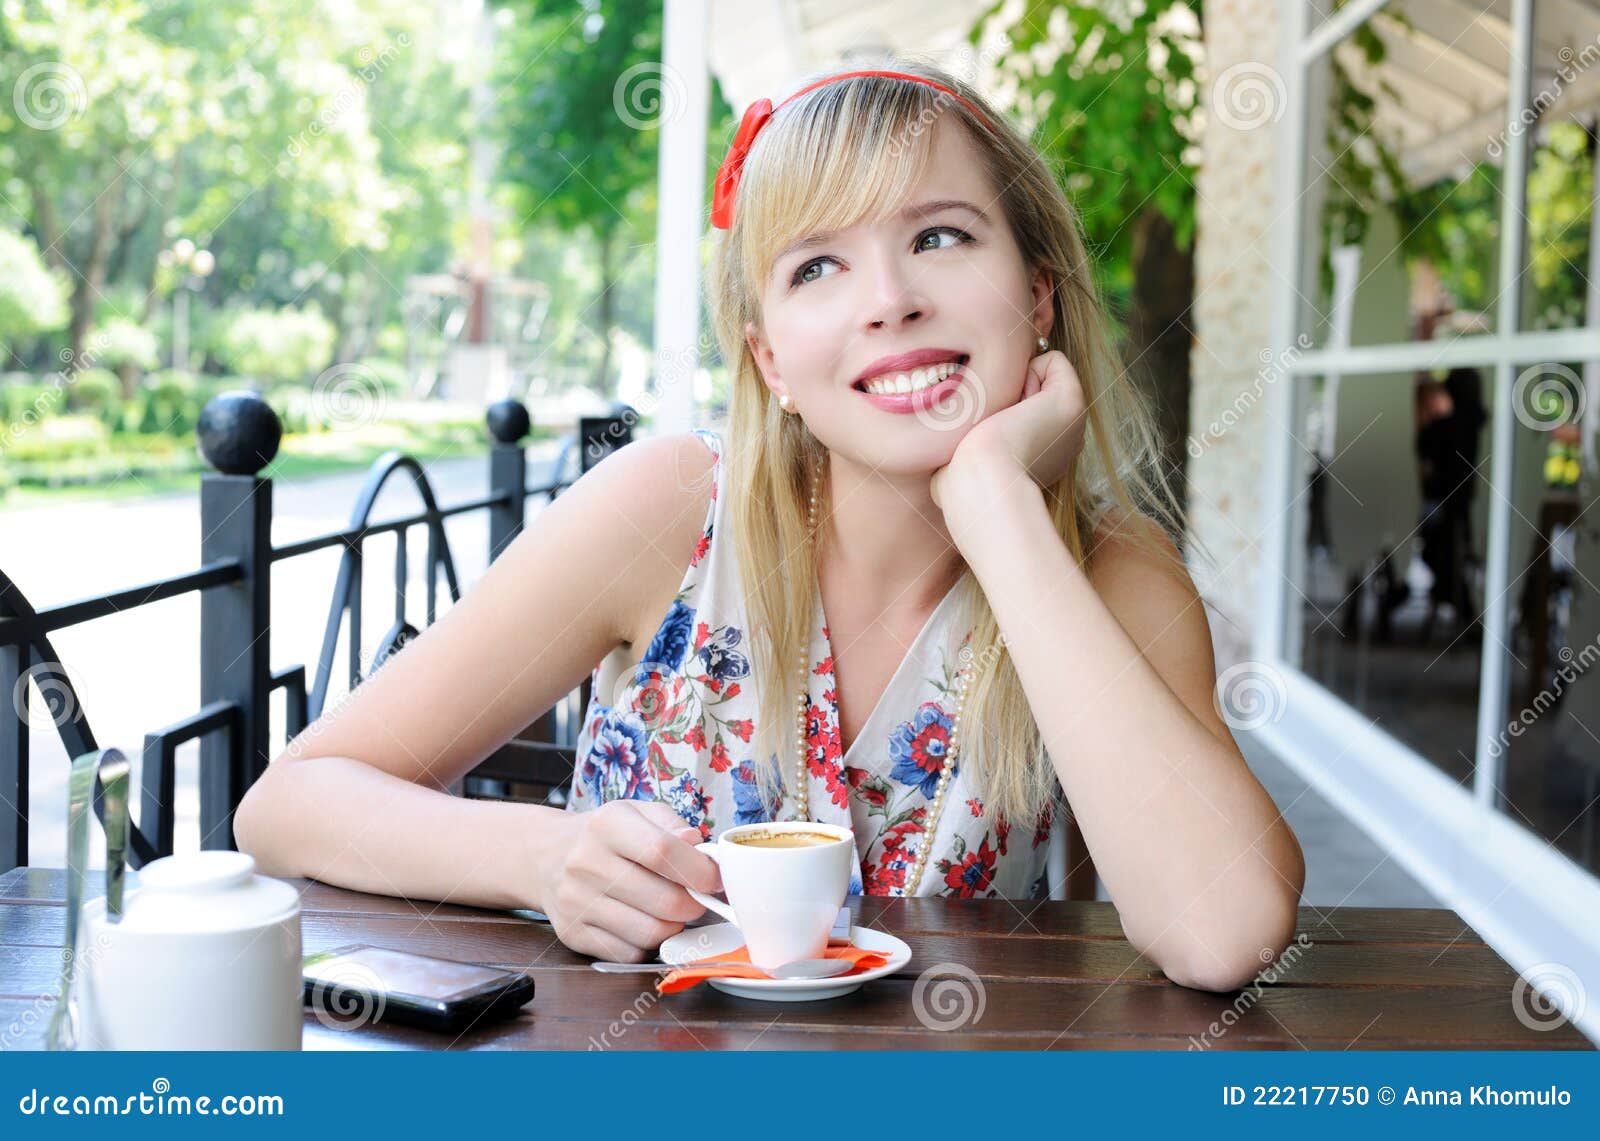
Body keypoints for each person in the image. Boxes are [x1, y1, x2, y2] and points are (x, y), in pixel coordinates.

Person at [235, 60, 1303, 993]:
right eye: (817, 266)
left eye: (939, 235)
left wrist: (996, 506)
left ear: (1037, 297)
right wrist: (541, 857)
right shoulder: (668, 508)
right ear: (769, 359)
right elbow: (287, 804)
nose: (888, 300)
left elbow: (1224, 933)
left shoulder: (1108, 571)